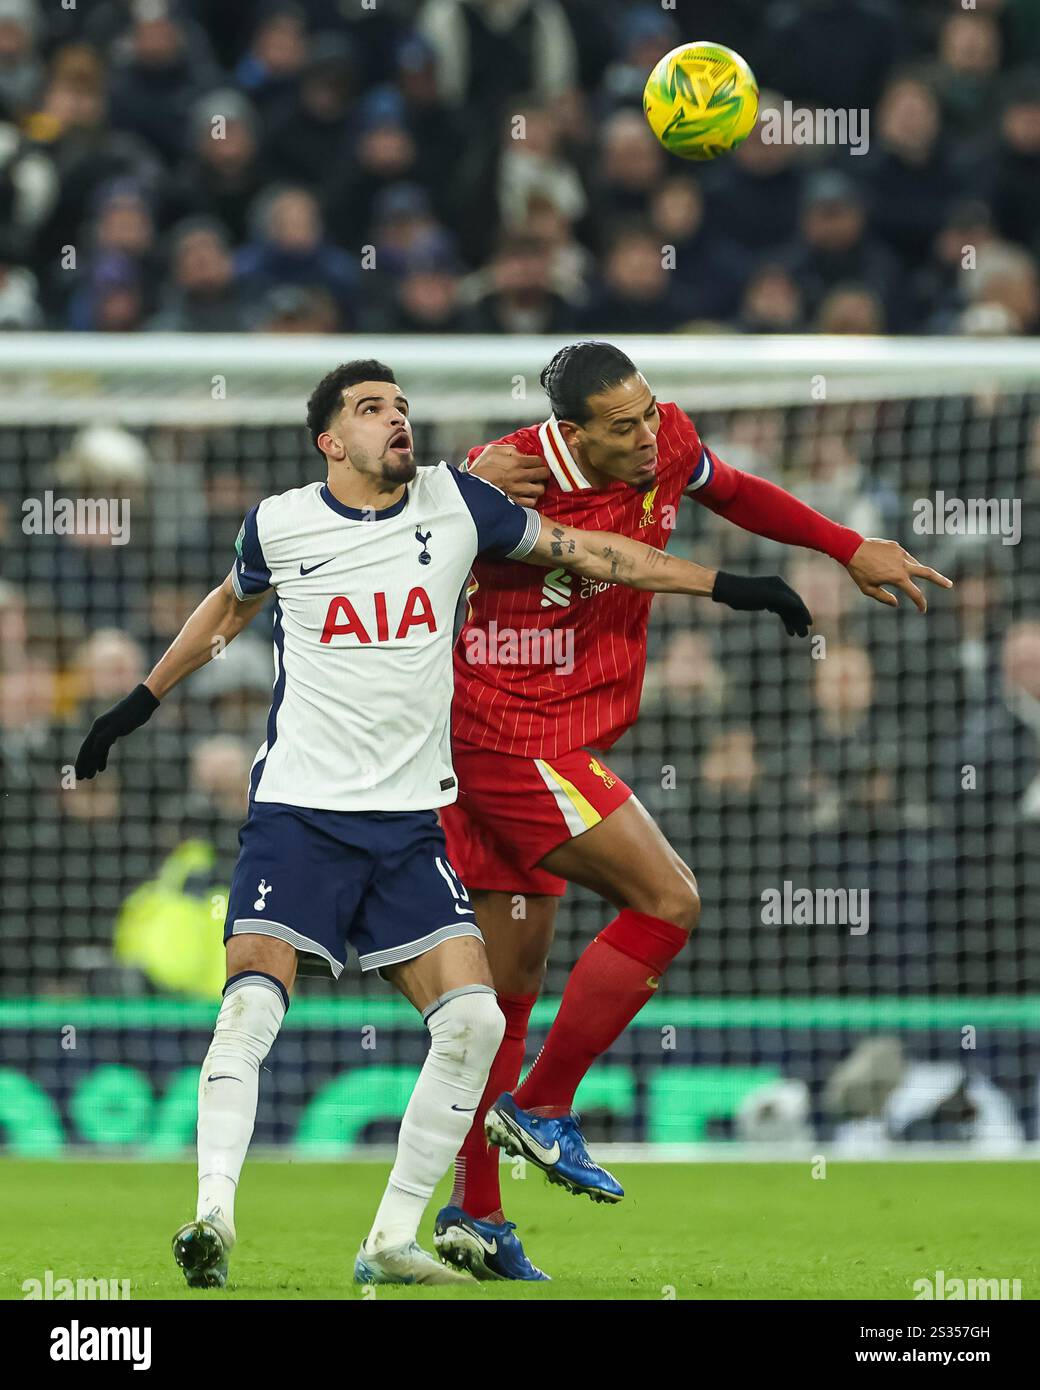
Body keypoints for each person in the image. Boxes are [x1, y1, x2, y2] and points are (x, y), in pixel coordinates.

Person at [73, 358, 812, 1290]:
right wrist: (139, 701)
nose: (397, 419)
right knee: (255, 1003)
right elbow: (229, 606)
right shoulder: (281, 522)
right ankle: (213, 1214)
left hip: (411, 823)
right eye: (372, 408)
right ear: (330, 441)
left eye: (403, 406)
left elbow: (596, 553)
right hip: (299, 813)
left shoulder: (460, 505)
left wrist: (728, 585)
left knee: (471, 1021)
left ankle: (397, 1235)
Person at [435, 339, 953, 1280]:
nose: (645, 436)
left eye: (648, 412)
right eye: (620, 426)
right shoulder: (507, 477)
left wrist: (846, 545)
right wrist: (451, 479)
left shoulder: (665, 438)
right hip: (509, 732)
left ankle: (476, 1213)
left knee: (504, 1003)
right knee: (669, 900)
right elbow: (404, 532)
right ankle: (544, 1107)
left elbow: (735, 490)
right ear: (569, 431)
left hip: (551, 737)